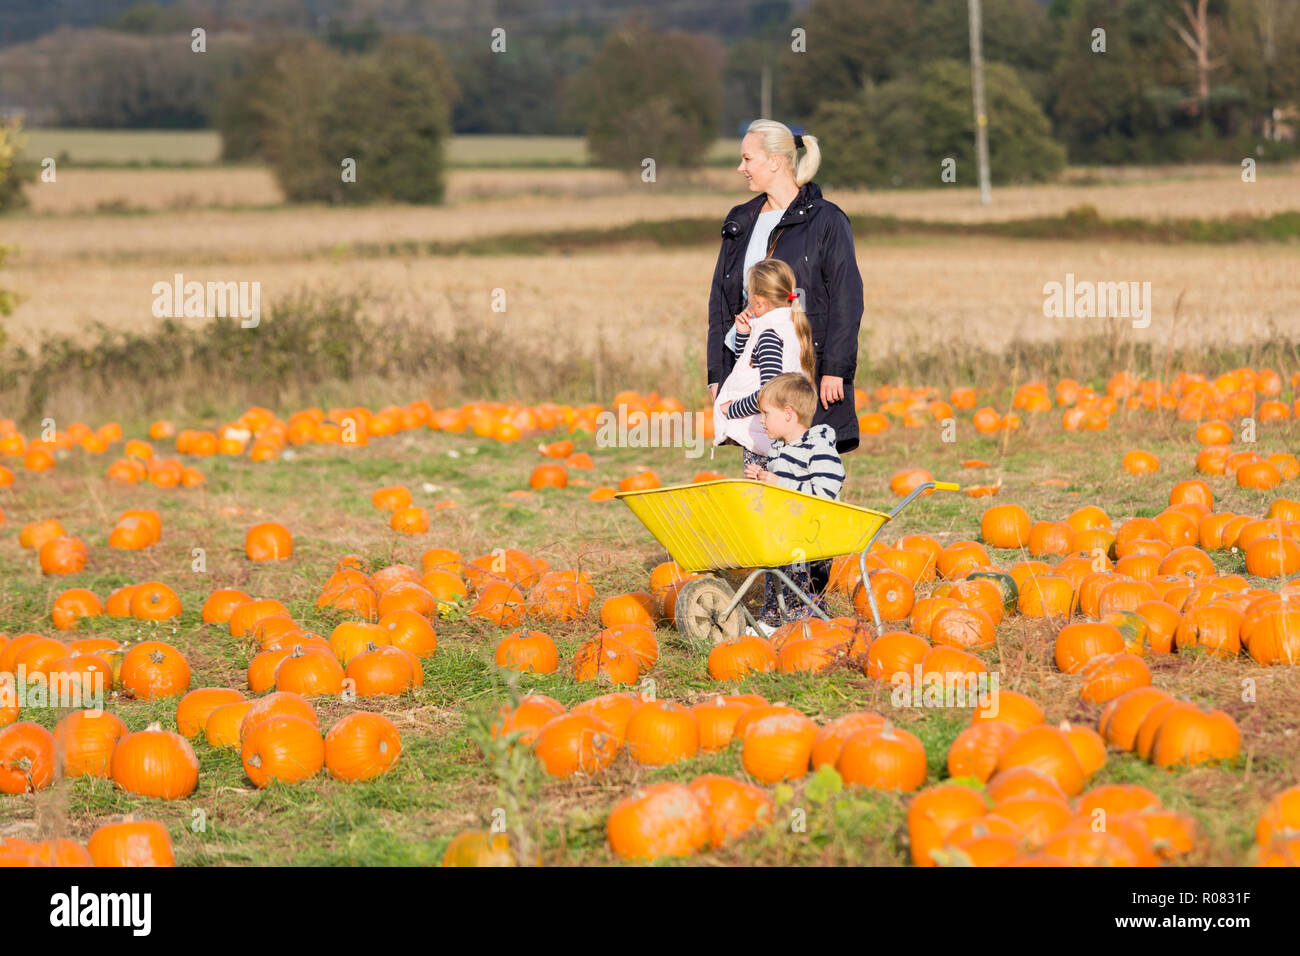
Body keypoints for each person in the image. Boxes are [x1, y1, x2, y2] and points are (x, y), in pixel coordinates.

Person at [708, 118, 864, 601]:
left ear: (775, 162)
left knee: (806, 483)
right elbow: (719, 300)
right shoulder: (741, 221)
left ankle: (806, 598)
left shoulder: (826, 220)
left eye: (748, 159)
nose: (741, 168)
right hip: (753, 374)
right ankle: (775, 594)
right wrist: (718, 372)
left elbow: (847, 296)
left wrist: (836, 365)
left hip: (808, 376)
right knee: (764, 485)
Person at [742, 373, 845, 629]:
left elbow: (825, 493)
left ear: (788, 413)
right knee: (774, 567)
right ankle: (776, 618)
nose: (762, 420)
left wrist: (778, 482)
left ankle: (795, 622)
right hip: (789, 528)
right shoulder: (778, 450)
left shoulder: (819, 447)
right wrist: (760, 478)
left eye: (766, 413)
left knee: (794, 570)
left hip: (815, 530)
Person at [712, 257, 816, 471]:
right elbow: (751, 368)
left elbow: (770, 393)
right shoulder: (790, 326)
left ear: (758, 301)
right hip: (787, 429)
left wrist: (732, 409)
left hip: (767, 436)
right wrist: (743, 335)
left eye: (747, 295)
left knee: (762, 496)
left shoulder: (770, 335)